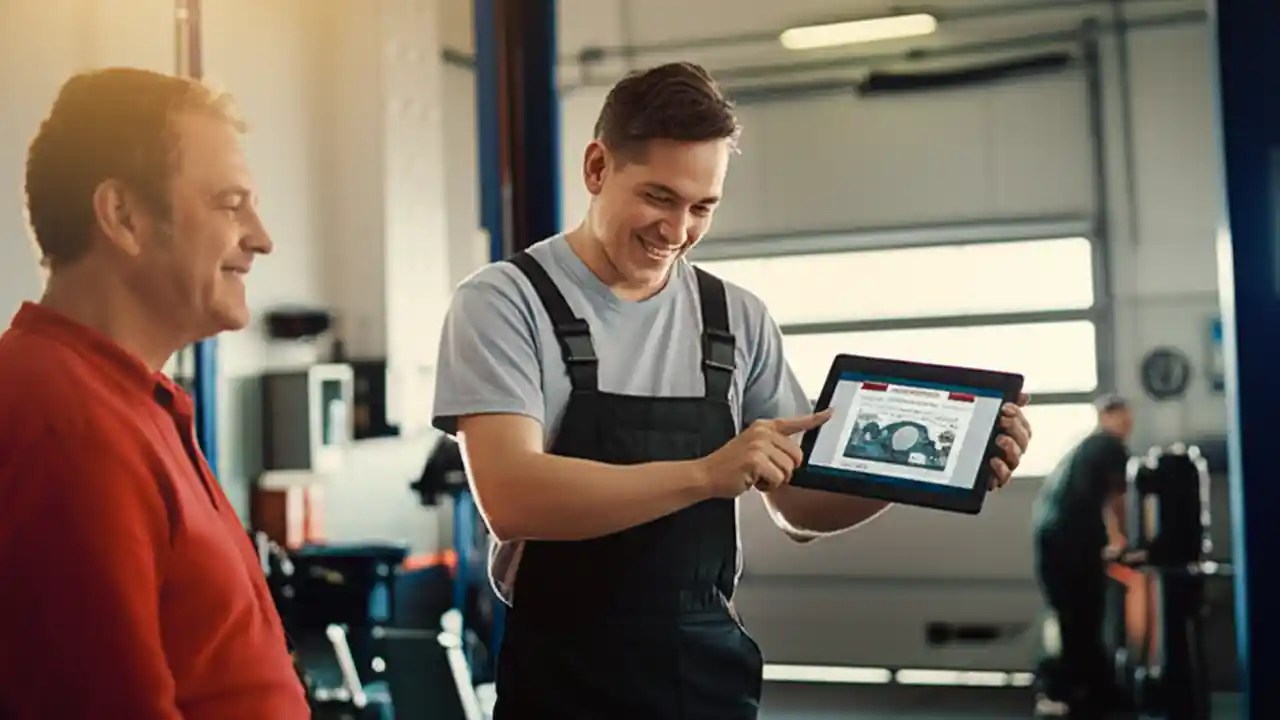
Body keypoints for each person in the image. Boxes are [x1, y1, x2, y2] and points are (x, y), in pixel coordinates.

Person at [432, 61, 1033, 719]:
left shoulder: (735, 317)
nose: (678, 230)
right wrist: (705, 474)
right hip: (564, 681)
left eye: (703, 207)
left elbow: (800, 505)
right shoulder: (503, 302)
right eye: (659, 197)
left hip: (707, 676)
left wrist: (926, 466)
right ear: (598, 168)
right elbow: (514, 498)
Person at [0, 68, 309, 719]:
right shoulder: (66, 422)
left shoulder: (131, 403)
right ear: (124, 215)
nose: (262, 237)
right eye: (230, 203)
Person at [1031, 394, 1135, 717]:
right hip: (1073, 543)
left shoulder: (1080, 448)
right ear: (1107, 416)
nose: (1128, 426)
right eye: (1123, 418)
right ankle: (1090, 696)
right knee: (1085, 619)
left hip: (1050, 540)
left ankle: (1071, 691)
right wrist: (1122, 542)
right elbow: (1116, 499)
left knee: (1070, 619)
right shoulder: (1109, 446)